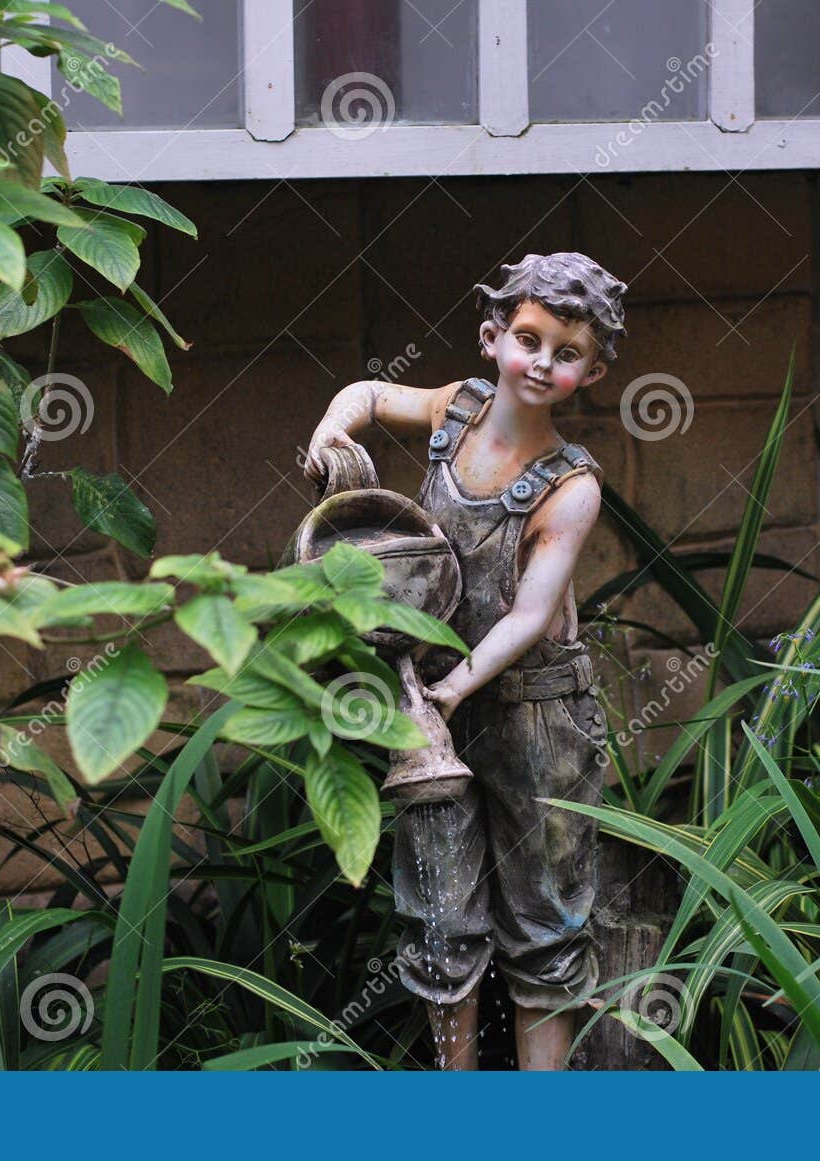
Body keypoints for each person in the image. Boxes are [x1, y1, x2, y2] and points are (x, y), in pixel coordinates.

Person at [303, 252, 626, 1070]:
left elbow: (528, 614)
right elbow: (372, 396)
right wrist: (332, 429)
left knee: (543, 926)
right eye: (528, 338)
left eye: (567, 352)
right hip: (434, 706)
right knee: (440, 916)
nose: (542, 363)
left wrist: (447, 688)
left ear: (593, 372)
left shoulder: (572, 485)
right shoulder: (457, 409)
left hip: (532, 718)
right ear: (492, 337)